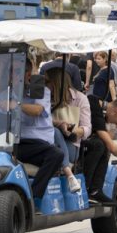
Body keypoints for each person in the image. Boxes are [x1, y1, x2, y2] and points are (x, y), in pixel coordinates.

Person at [15, 71, 72, 201]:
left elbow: (37, 110)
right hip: (14, 141)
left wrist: (16, 105)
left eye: (18, 71)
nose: (15, 76)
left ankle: (33, 197)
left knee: (57, 155)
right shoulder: (8, 91)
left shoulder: (40, 91)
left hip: (38, 143)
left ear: (28, 74)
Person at [82, 94, 117, 201]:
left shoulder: (102, 112)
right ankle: (87, 187)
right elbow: (112, 146)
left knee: (102, 145)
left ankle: (95, 190)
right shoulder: (94, 106)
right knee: (99, 145)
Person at [45, 66, 90, 167]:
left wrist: (69, 128)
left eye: (46, 81)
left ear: (56, 83)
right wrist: (59, 124)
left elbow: (87, 128)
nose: (44, 85)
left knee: (55, 131)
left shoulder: (79, 99)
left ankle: (66, 168)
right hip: (46, 142)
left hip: (70, 146)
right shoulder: (44, 97)